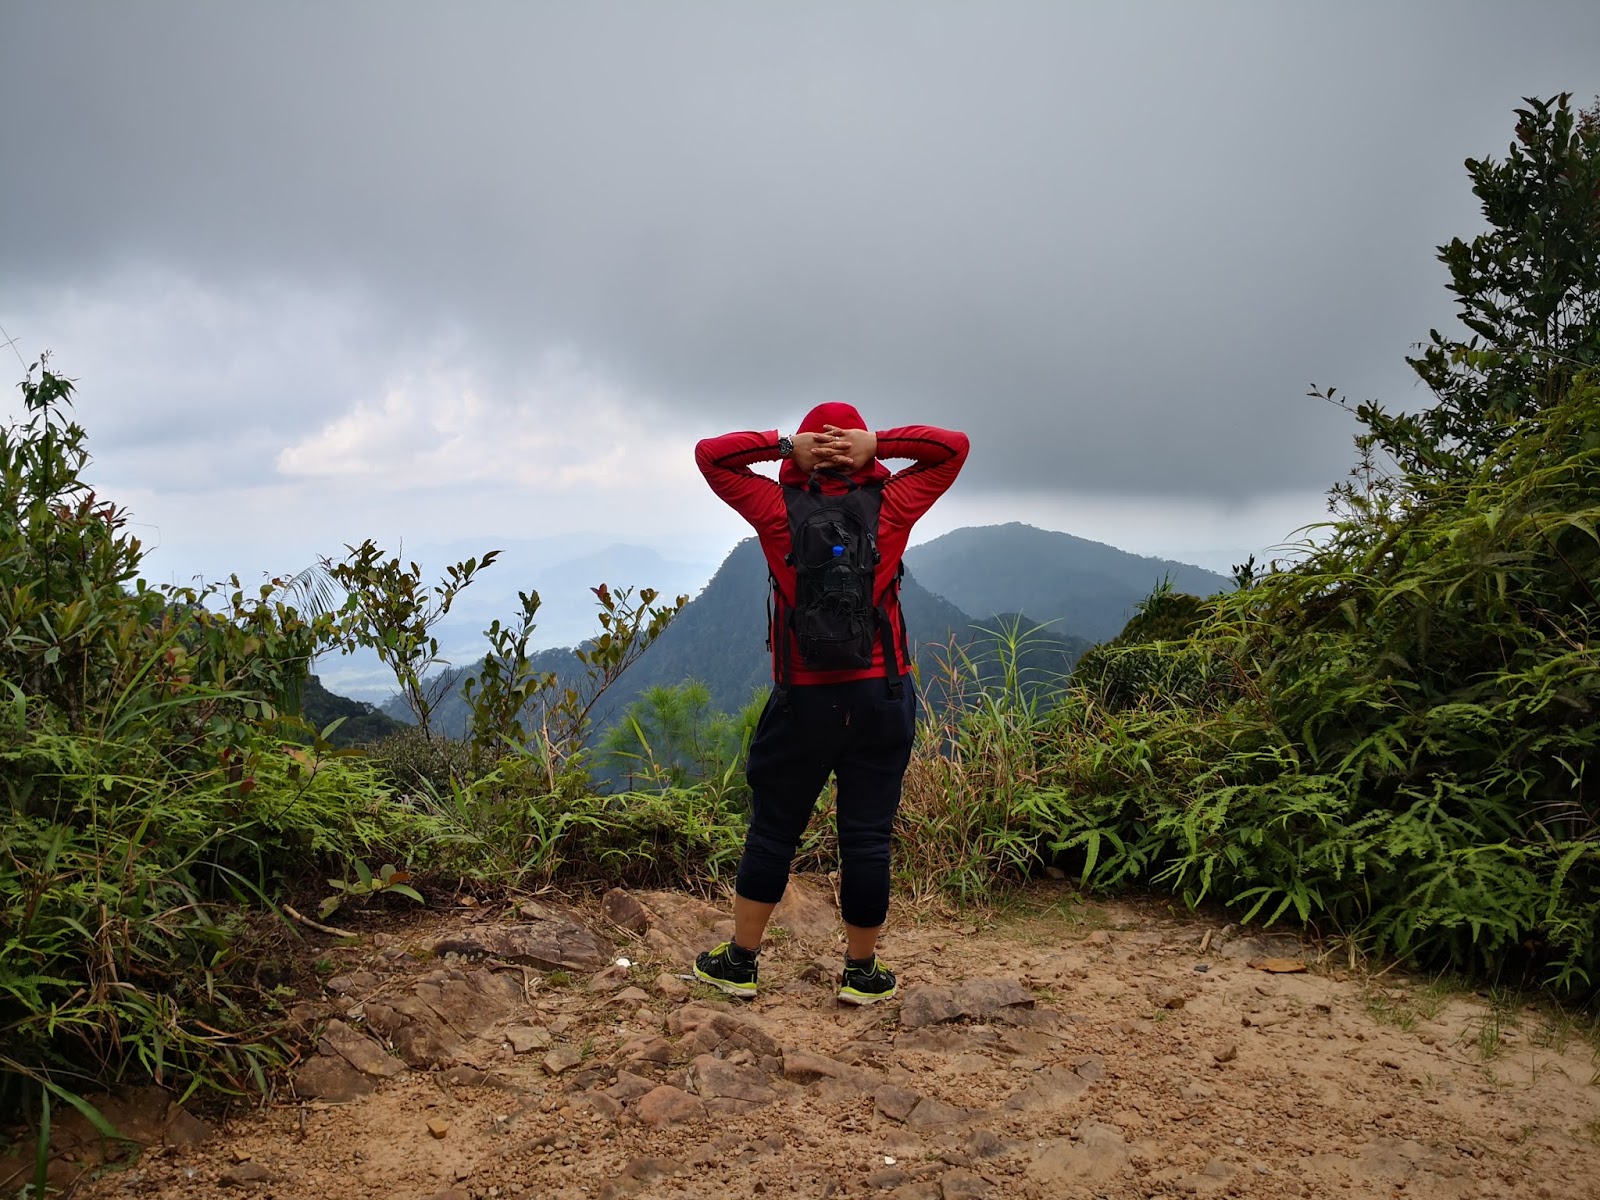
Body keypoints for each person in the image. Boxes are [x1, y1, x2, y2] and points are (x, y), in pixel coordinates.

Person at [691, 402, 969, 1004]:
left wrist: (786, 445)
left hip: (805, 701)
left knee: (773, 831)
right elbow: (953, 446)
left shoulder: (775, 509)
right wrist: (883, 443)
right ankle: (861, 973)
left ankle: (739, 963)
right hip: (881, 695)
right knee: (867, 836)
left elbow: (710, 455)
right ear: (860, 450)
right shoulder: (893, 504)